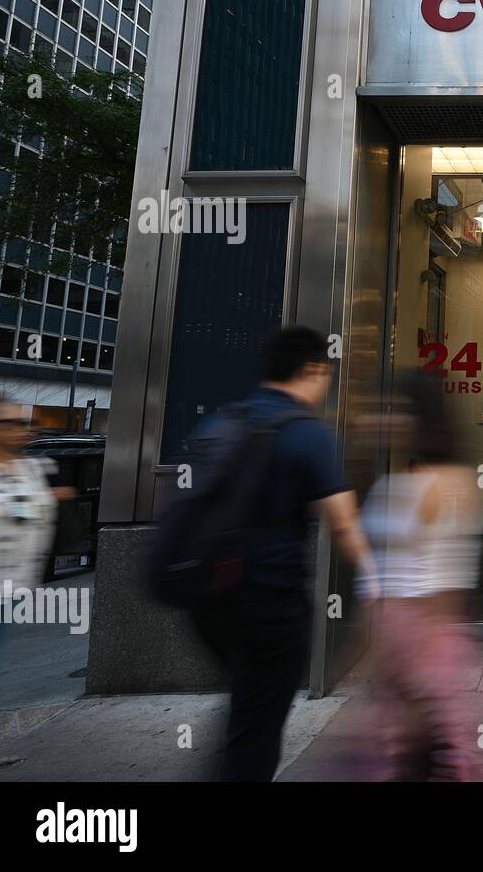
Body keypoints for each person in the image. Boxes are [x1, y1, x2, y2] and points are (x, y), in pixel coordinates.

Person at [187, 326, 374, 782]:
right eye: (325, 373)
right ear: (311, 369)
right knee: (256, 730)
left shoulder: (223, 422)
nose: (326, 384)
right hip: (270, 599)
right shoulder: (306, 431)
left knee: (246, 705)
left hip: (208, 597)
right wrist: (376, 577)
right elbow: (343, 521)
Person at [355, 370, 483, 780]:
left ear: (416, 417)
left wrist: (405, 668)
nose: (372, 419)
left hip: (419, 652)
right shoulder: (444, 481)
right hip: (420, 653)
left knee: (422, 758)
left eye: (388, 409)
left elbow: (438, 588)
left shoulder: (429, 486)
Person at [0, 394, 70, 710]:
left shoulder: (31, 468)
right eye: (9, 423)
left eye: (24, 423)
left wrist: (49, 500)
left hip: (9, 585)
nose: (20, 430)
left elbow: (32, 511)